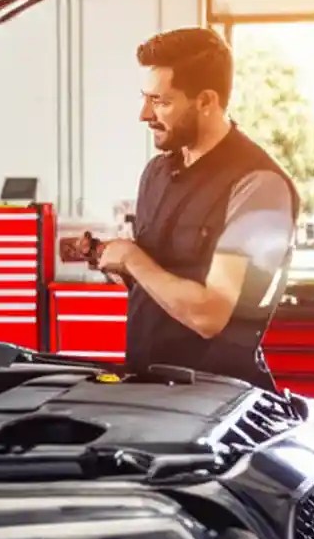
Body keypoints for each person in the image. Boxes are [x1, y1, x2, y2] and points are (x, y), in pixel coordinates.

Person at [87, 27, 299, 391]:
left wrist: (133, 258)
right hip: (150, 388)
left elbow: (210, 314)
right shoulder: (158, 171)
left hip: (217, 402)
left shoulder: (259, 184)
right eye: (145, 98)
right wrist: (118, 265)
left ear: (206, 101)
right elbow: (163, 281)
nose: (144, 114)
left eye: (161, 101)